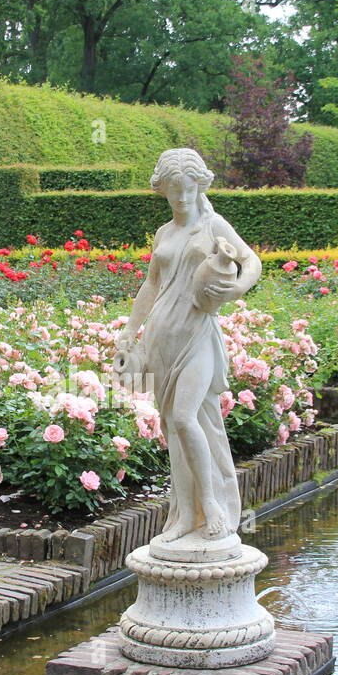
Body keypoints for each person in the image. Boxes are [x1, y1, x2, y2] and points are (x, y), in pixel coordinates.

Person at [115, 148, 261, 546]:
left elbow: (251, 261)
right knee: (172, 429)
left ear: (200, 186)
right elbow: (151, 284)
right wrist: (130, 330)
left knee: (185, 418)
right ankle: (184, 513)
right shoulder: (164, 233)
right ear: (162, 189)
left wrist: (239, 286)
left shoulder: (214, 226)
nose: (181, 197)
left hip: (197, 333)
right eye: (173, 190)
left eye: (188, 188)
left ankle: (211, 505)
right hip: (162, 334)